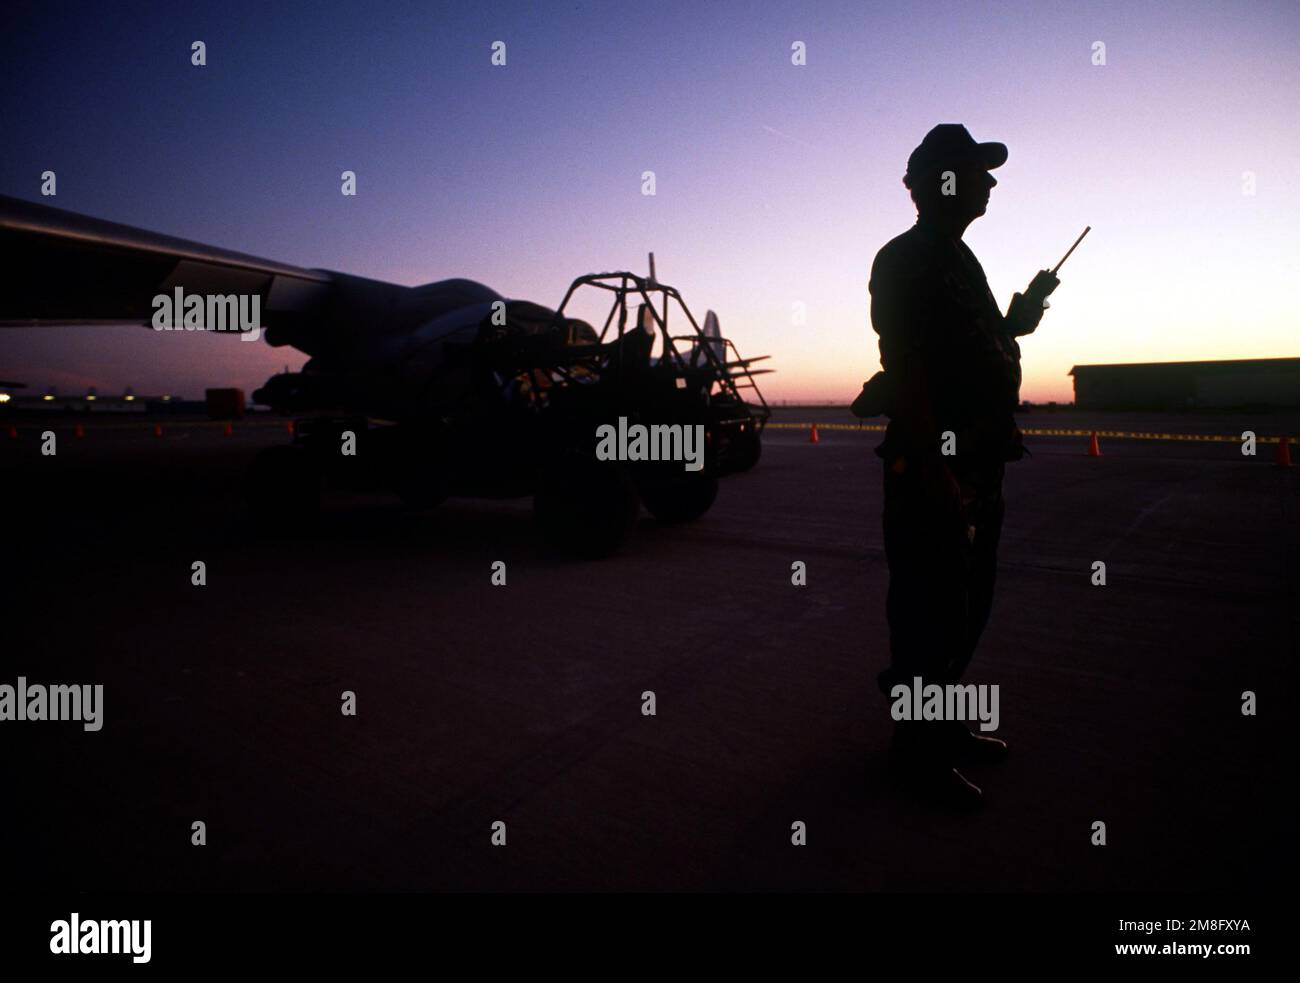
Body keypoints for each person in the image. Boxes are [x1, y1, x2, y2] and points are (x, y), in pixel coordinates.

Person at [869, 124, 1058, 810]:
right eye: (977, 170)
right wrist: (937, 475)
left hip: (977, 464)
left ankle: (941, 731)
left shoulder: (957, 259)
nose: (990, 182)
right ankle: (917, 758)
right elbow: (911, 372)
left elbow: (966, 352)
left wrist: (1017, 320)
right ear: (937, 181)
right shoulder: (907, 259)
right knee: (929, 615)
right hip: (935, 469)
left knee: (966, 608)